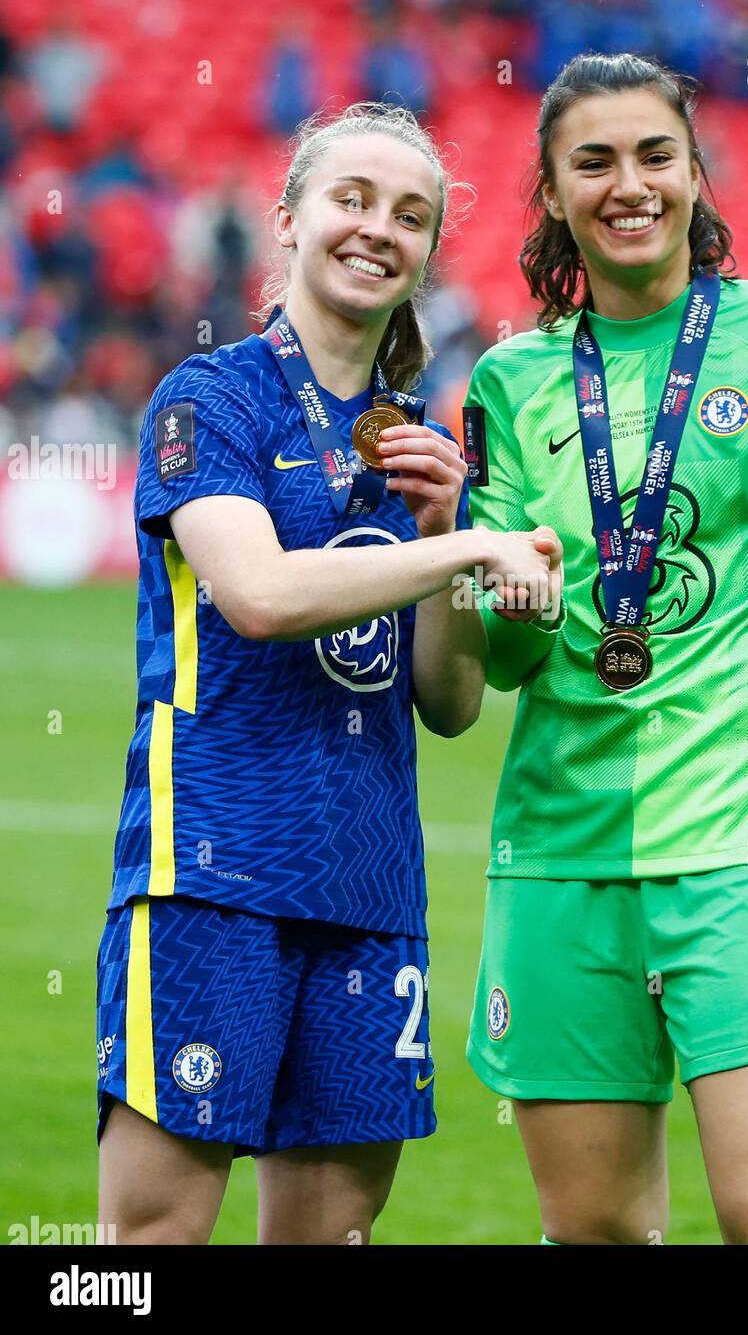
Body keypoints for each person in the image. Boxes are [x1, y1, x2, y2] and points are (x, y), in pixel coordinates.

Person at [463, 53, 748, 1245]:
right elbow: (507, 669)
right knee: (598, 1234)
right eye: (594, 162)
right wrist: (502, 603)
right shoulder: (510, 383)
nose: (630, 184)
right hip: (558, 857)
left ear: (694, 170)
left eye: (654, 154)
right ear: (554, 194)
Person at [96, 102, 559, 1245]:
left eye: (410, 216)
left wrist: (451, 526)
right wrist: (462, 546)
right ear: (290, 220)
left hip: (368, 889)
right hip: (210, 876)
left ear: (425, 254)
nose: (378, 229)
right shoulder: (211, 400)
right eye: (352, 199)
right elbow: (256, 596)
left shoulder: (419, 444)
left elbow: (449, 704)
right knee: (150, 1249)